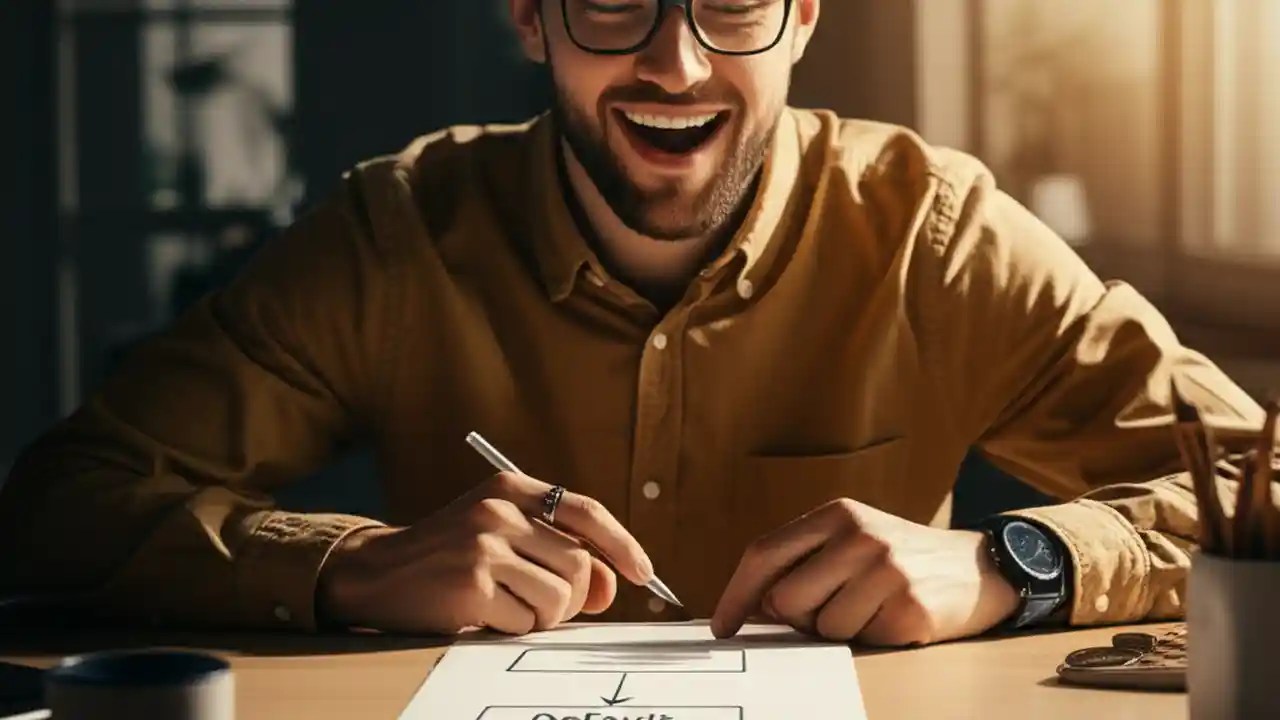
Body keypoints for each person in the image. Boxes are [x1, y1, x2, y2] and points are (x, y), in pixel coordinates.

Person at [0, 0, 1266, 646]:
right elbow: (61, 504)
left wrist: (1011, 564)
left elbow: (1263, 483)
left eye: (731, 3)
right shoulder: (395, 235)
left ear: (802, 14)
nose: (676, 63)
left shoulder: (933, 235)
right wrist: (348, 568)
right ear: (529, 15)